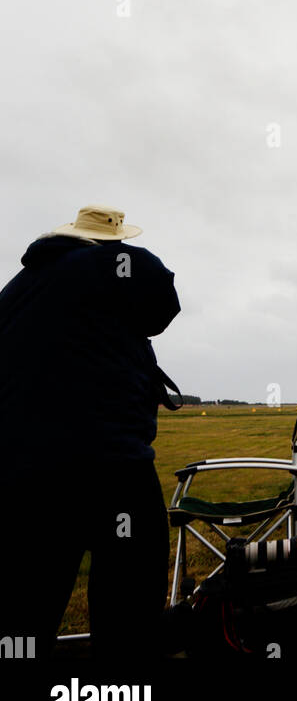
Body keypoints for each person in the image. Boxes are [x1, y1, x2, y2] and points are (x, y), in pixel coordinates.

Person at [0, 204, 180, 657]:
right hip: (110, 466)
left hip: (24, 471)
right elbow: (164, 295)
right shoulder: (105, 264)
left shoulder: (18, 289)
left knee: (26, 602)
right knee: (130, 596)